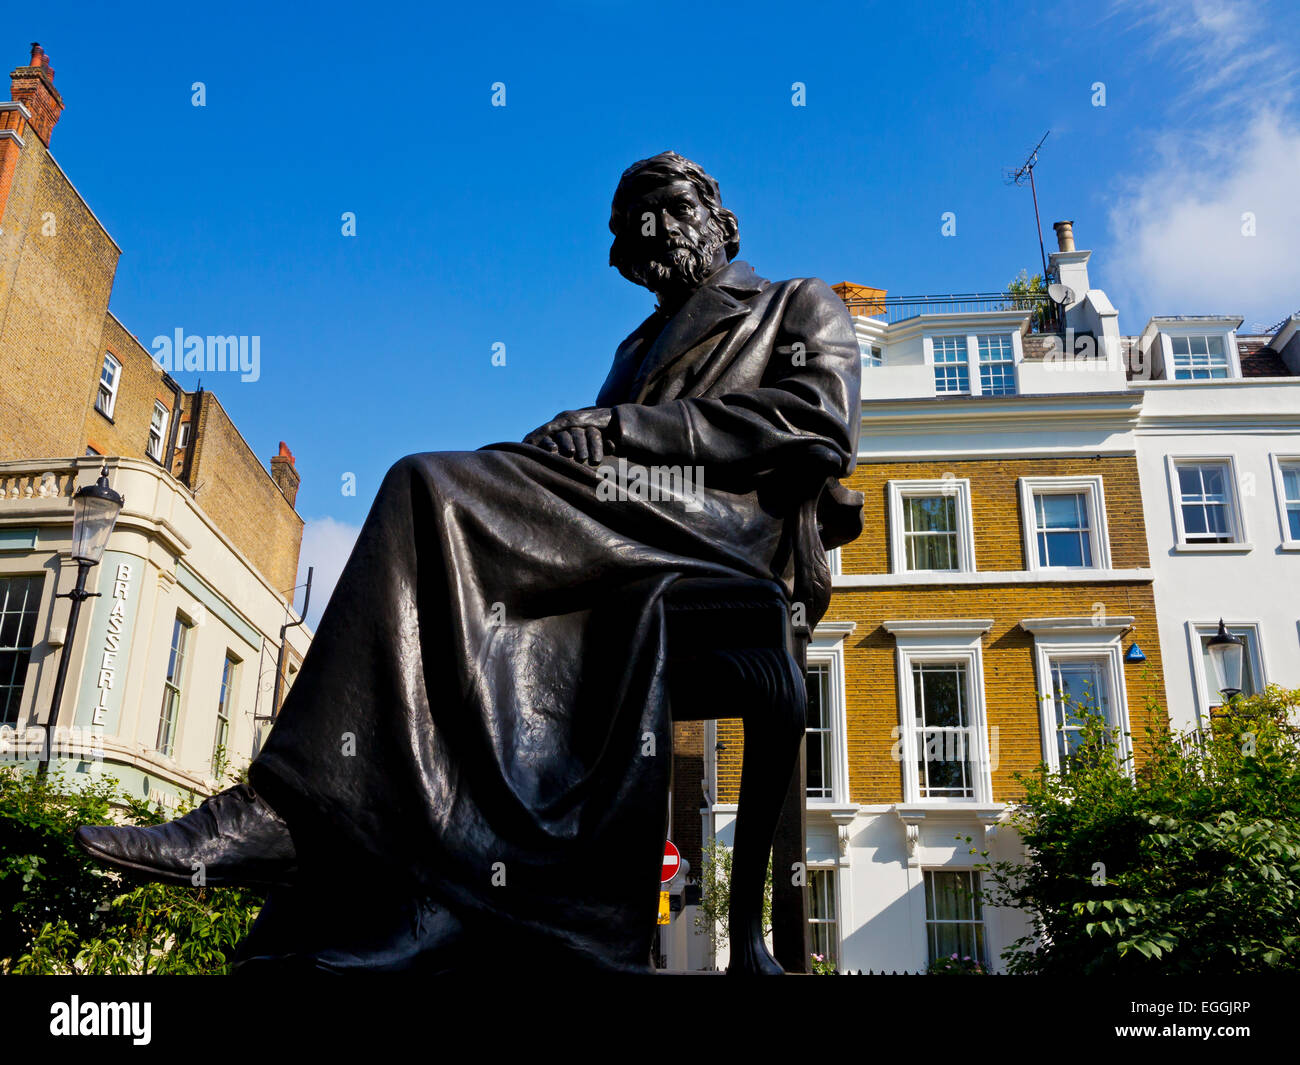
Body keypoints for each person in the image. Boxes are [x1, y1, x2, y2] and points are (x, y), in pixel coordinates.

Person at [75, 151, 861, 973]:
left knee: (430, 489)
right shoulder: (636, 345)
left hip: (719, 526)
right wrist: (566, 440)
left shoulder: (796, 304)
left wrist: (624, 433)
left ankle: (296, 817)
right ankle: (408, 859)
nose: (647, 237)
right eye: (632, 230)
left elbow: (820, 418)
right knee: (449, 523)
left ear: (716, 215)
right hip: (624, 519)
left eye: (659, 211)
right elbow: (598, 445)